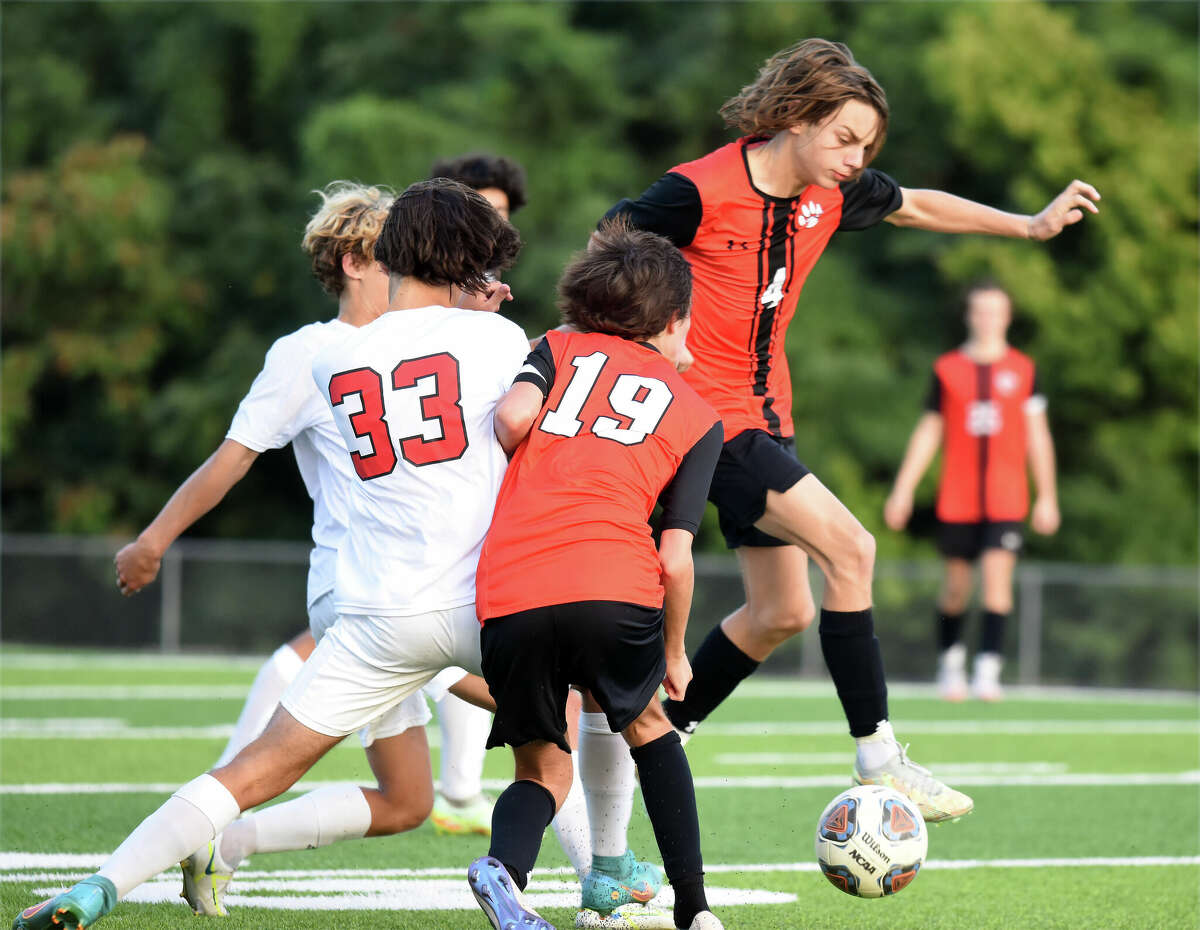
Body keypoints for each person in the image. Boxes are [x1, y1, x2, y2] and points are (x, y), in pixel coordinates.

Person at [604, 38, 1098, 822]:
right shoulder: (697, 190)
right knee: (853, 549)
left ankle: (660, 736)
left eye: (866, 146)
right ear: (796, 118)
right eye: (843, 139)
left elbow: (919, 205)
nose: (855, 159)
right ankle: (878, 754)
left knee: (782, 612)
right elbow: (609, 247)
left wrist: (1029, 227)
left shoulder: (832, 192)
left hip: (769, 418)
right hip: (707, 420)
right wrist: (633, 350)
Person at [12, 178, 526, 930]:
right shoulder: (493, 339)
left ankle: (103, 884)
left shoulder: (333, 360)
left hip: (374, 607)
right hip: (467, 600)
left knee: (284, 778)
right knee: (585, 723)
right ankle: (608, 876)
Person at [467, 219, 725, 930]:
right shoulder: (699, 415)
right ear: (671, 320)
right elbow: (674, 558)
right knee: (649, 727)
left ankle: (505, 869)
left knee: (540, 769)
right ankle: (695, 910)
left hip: (512, 586)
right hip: (614, 583)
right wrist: (674, 652)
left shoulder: (554, 346)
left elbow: (512, 417)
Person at [884, 281, 1059, 702]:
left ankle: (988, 670)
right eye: (980, 310)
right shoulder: (948, 369)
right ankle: (951, 664)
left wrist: (1047, 495)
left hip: (1007, 497)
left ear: (1007, 317)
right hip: (958, 497)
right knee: (956, 589)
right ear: (968, 316)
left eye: (996, 311)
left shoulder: (1023, 369)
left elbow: (1038, 436)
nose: (988, 319)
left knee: (997, 582)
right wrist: (903, 489)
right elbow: (930, 430)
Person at [422, 151, 529, 837]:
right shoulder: (410, 313)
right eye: (479, 214)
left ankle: (460, 788)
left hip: (470, 521)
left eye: (501, 216)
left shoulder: (491, 324)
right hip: (403, 525)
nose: (492, 230)